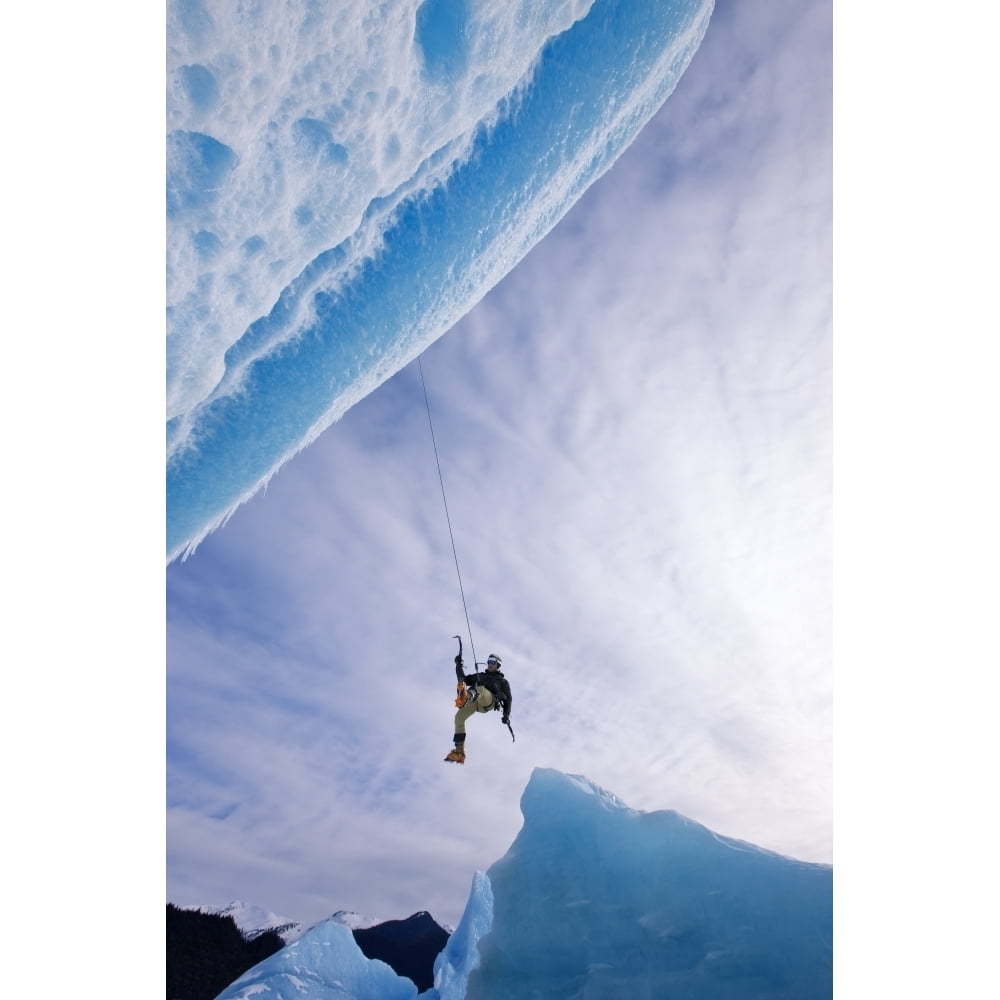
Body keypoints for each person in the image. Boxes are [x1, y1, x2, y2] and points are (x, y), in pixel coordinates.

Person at [444, 652, 512, 764]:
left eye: (493, 662)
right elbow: (463, 679)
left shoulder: (502, 682)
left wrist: (506, 715)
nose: (490, 664)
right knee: (459, 718)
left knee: (480, 689)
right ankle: (459, 752)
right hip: (475, 702)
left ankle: (467, 696)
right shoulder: (480, 675)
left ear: (498, 665)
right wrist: (458, 665)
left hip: (488, 702)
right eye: (489, 662)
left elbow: (508, 699)